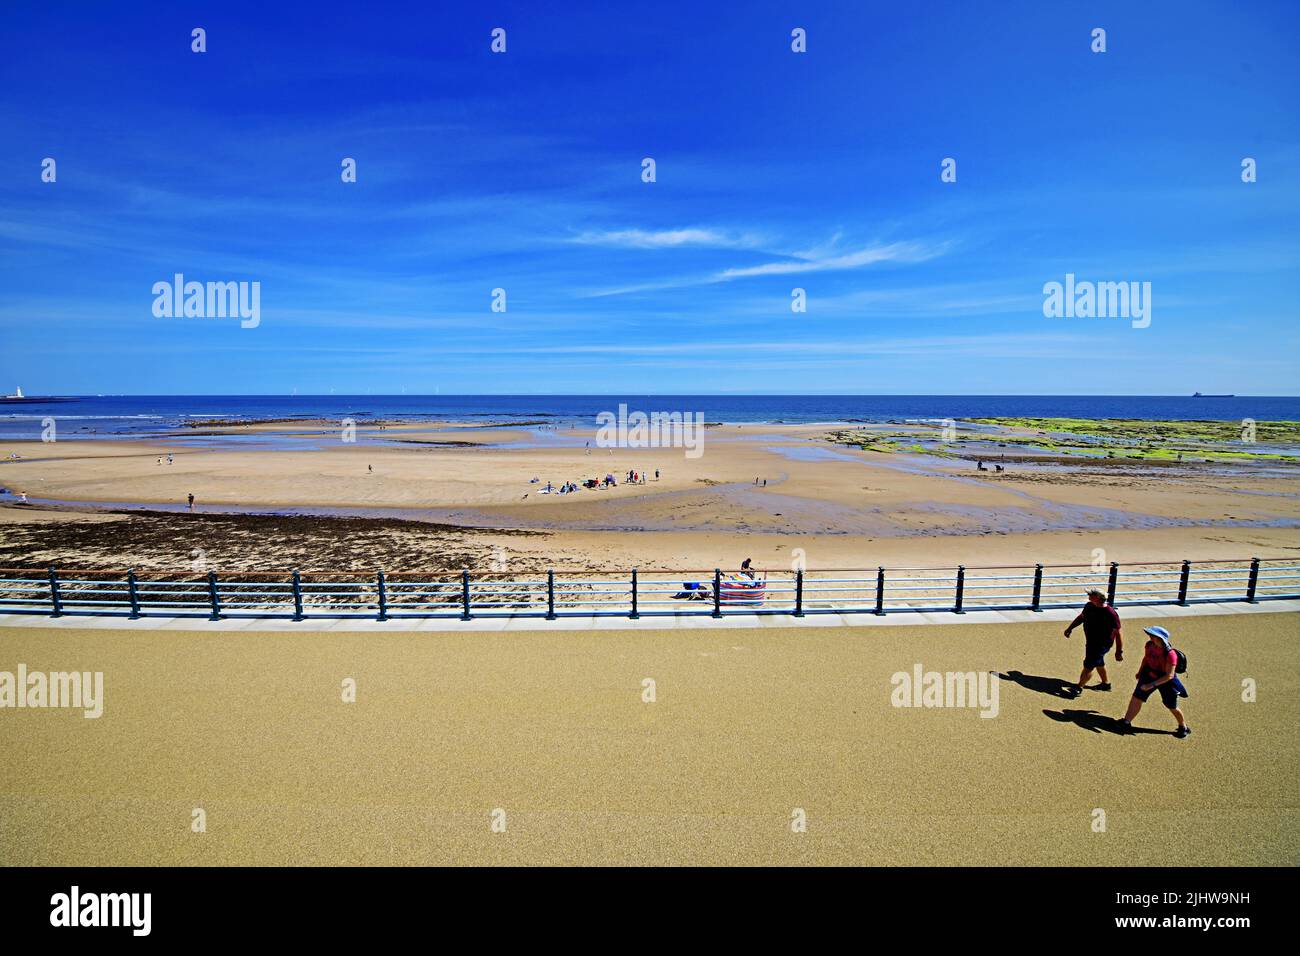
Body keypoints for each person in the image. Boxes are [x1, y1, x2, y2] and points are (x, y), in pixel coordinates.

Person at [1120, 626, 1190, 737]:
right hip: (1149, 674)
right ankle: (1126, 722)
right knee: (1137, 697)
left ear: (1160, 638)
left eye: (1153, 636)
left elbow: (1170, 675)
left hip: (1166, 681)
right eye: (1150, 635)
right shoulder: (1149, 645)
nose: (1150, 637)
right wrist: (1140, 671)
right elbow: (1146, 658)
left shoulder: (1170, 654)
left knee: (1171, 706)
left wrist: (1150, 685)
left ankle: (1183, 727)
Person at [1064, 589, 1123, 696]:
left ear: (1098, 598)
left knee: (1089, 665)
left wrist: (1119, 651)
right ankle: (1105, 684)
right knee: (1098, 662)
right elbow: (1081, 617)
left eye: (1091, 594)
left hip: (1102, 644)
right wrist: (1070, 628)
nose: (1088, 595)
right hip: (1091, 641)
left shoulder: (1111, 613)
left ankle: (1079, 687)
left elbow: (1118, 633)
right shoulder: (1089, 606)